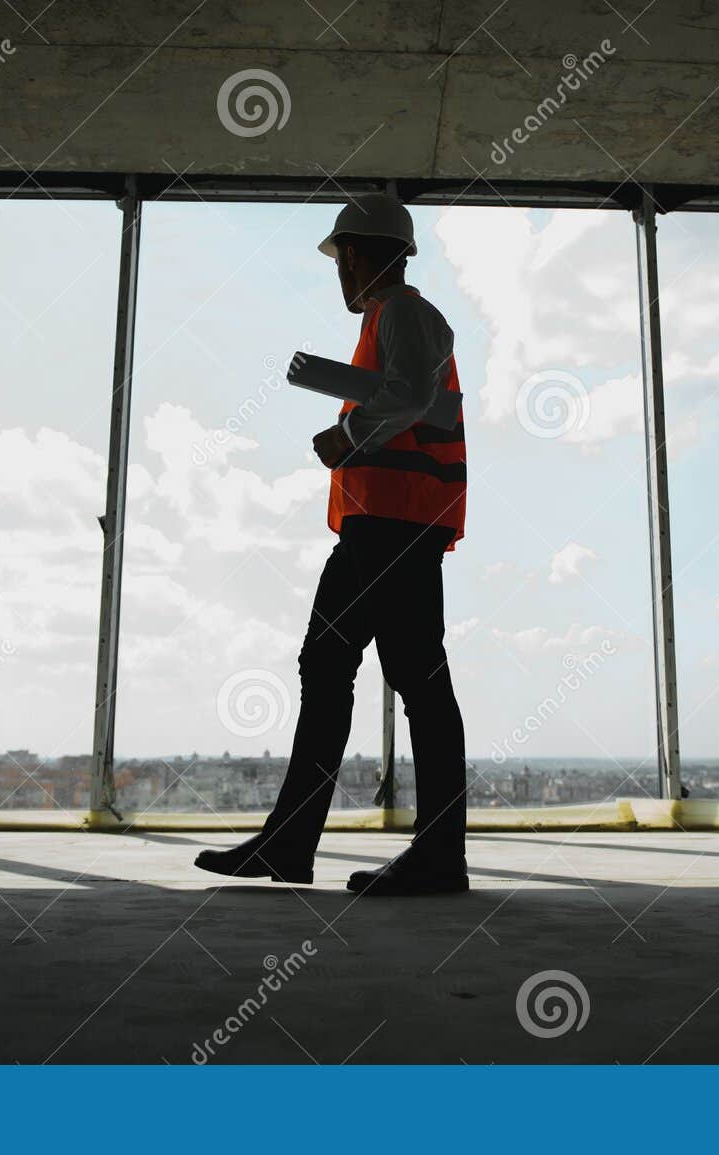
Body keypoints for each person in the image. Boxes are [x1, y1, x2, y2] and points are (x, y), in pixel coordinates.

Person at [196, 193, 469, 897]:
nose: (339, 272)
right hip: (377, 524)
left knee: (413, 677)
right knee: (332, 664)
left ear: (357, 254)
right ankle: (291, 842)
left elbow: (408, 395)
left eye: (342, 257)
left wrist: (344, 435)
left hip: (396, 525)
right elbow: (403, 398)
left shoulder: (406, 314)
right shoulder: (388, 319)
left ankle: (437, 854)